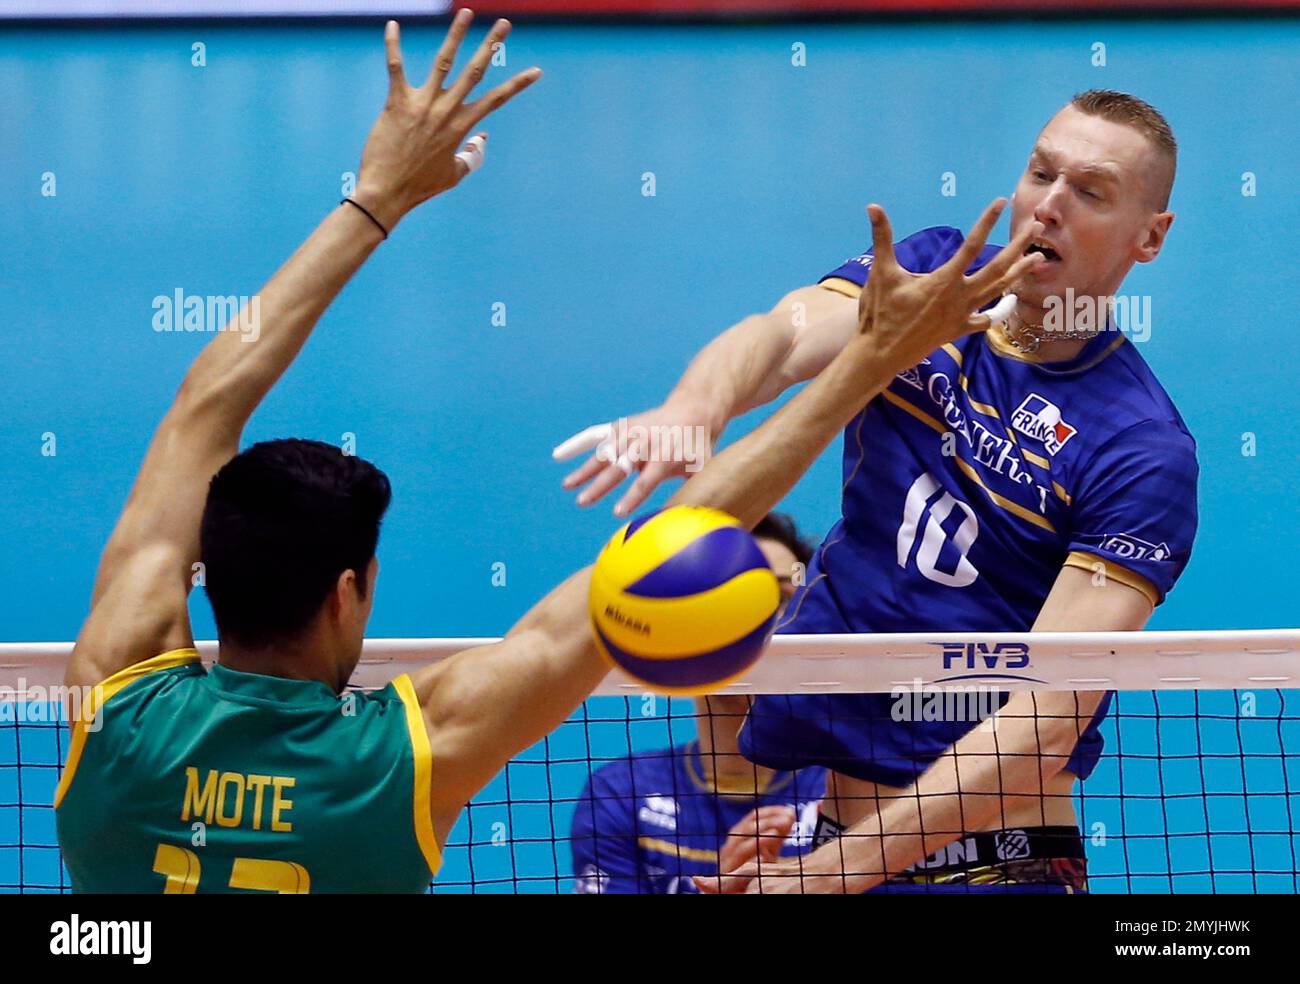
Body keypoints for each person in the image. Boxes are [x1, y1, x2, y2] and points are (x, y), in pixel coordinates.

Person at [53, 9, 1041, 892]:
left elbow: (198, 409)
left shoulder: (116, 701)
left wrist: (373, 202)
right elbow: (669, 544)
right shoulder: (405, 754)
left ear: (202, 576)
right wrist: (870, 363)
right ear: (349, 592)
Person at [559, 92, 1198, 893]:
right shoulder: (932, 277)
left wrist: (830, 875)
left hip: (995, 870)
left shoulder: (1142, 448)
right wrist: (696, 405)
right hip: (831, 837)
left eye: (1091, 192)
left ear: (1152, 236)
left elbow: (1045, 720)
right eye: (1040, 174)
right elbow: (787, 333)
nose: (1049, 206)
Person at [570, 514, 824, 894]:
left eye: (783, 598)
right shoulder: (622, 795)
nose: (756, 621)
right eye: (732, 597)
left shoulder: (843, 789)